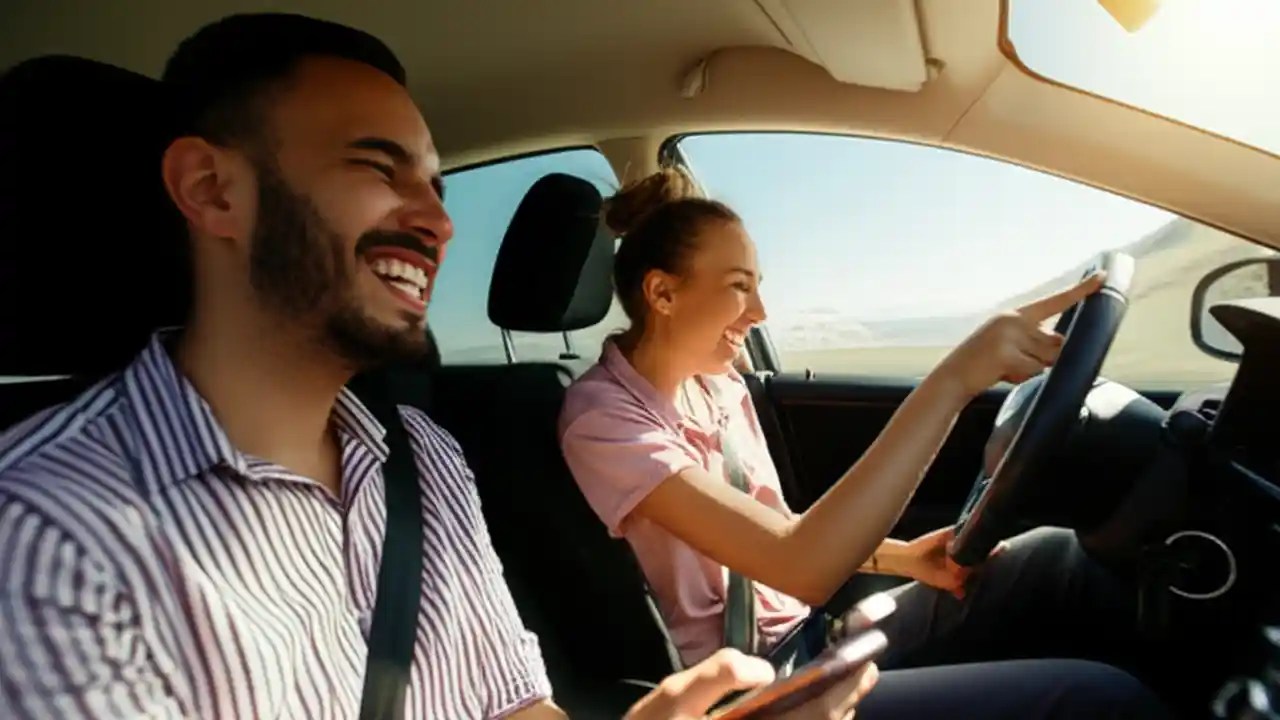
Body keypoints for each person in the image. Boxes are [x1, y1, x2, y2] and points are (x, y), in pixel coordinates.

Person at [0, 13, 878, 720]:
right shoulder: (45, 534)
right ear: (212, 190)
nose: (438, 224)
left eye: (437, 187)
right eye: (378, 167)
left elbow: (515, 707)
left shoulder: (420, 456)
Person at [558, 167, 1172, 718]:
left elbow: (772, 528)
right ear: (663, 294)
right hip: (756, 693)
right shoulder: (604, 421)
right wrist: (958, 377)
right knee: (1099, 700)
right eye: (741, 285)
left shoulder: (719, 386)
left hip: (815, 637)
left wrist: (902, 557)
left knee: (1057, 560)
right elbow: (797, 564)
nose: (762, 309)